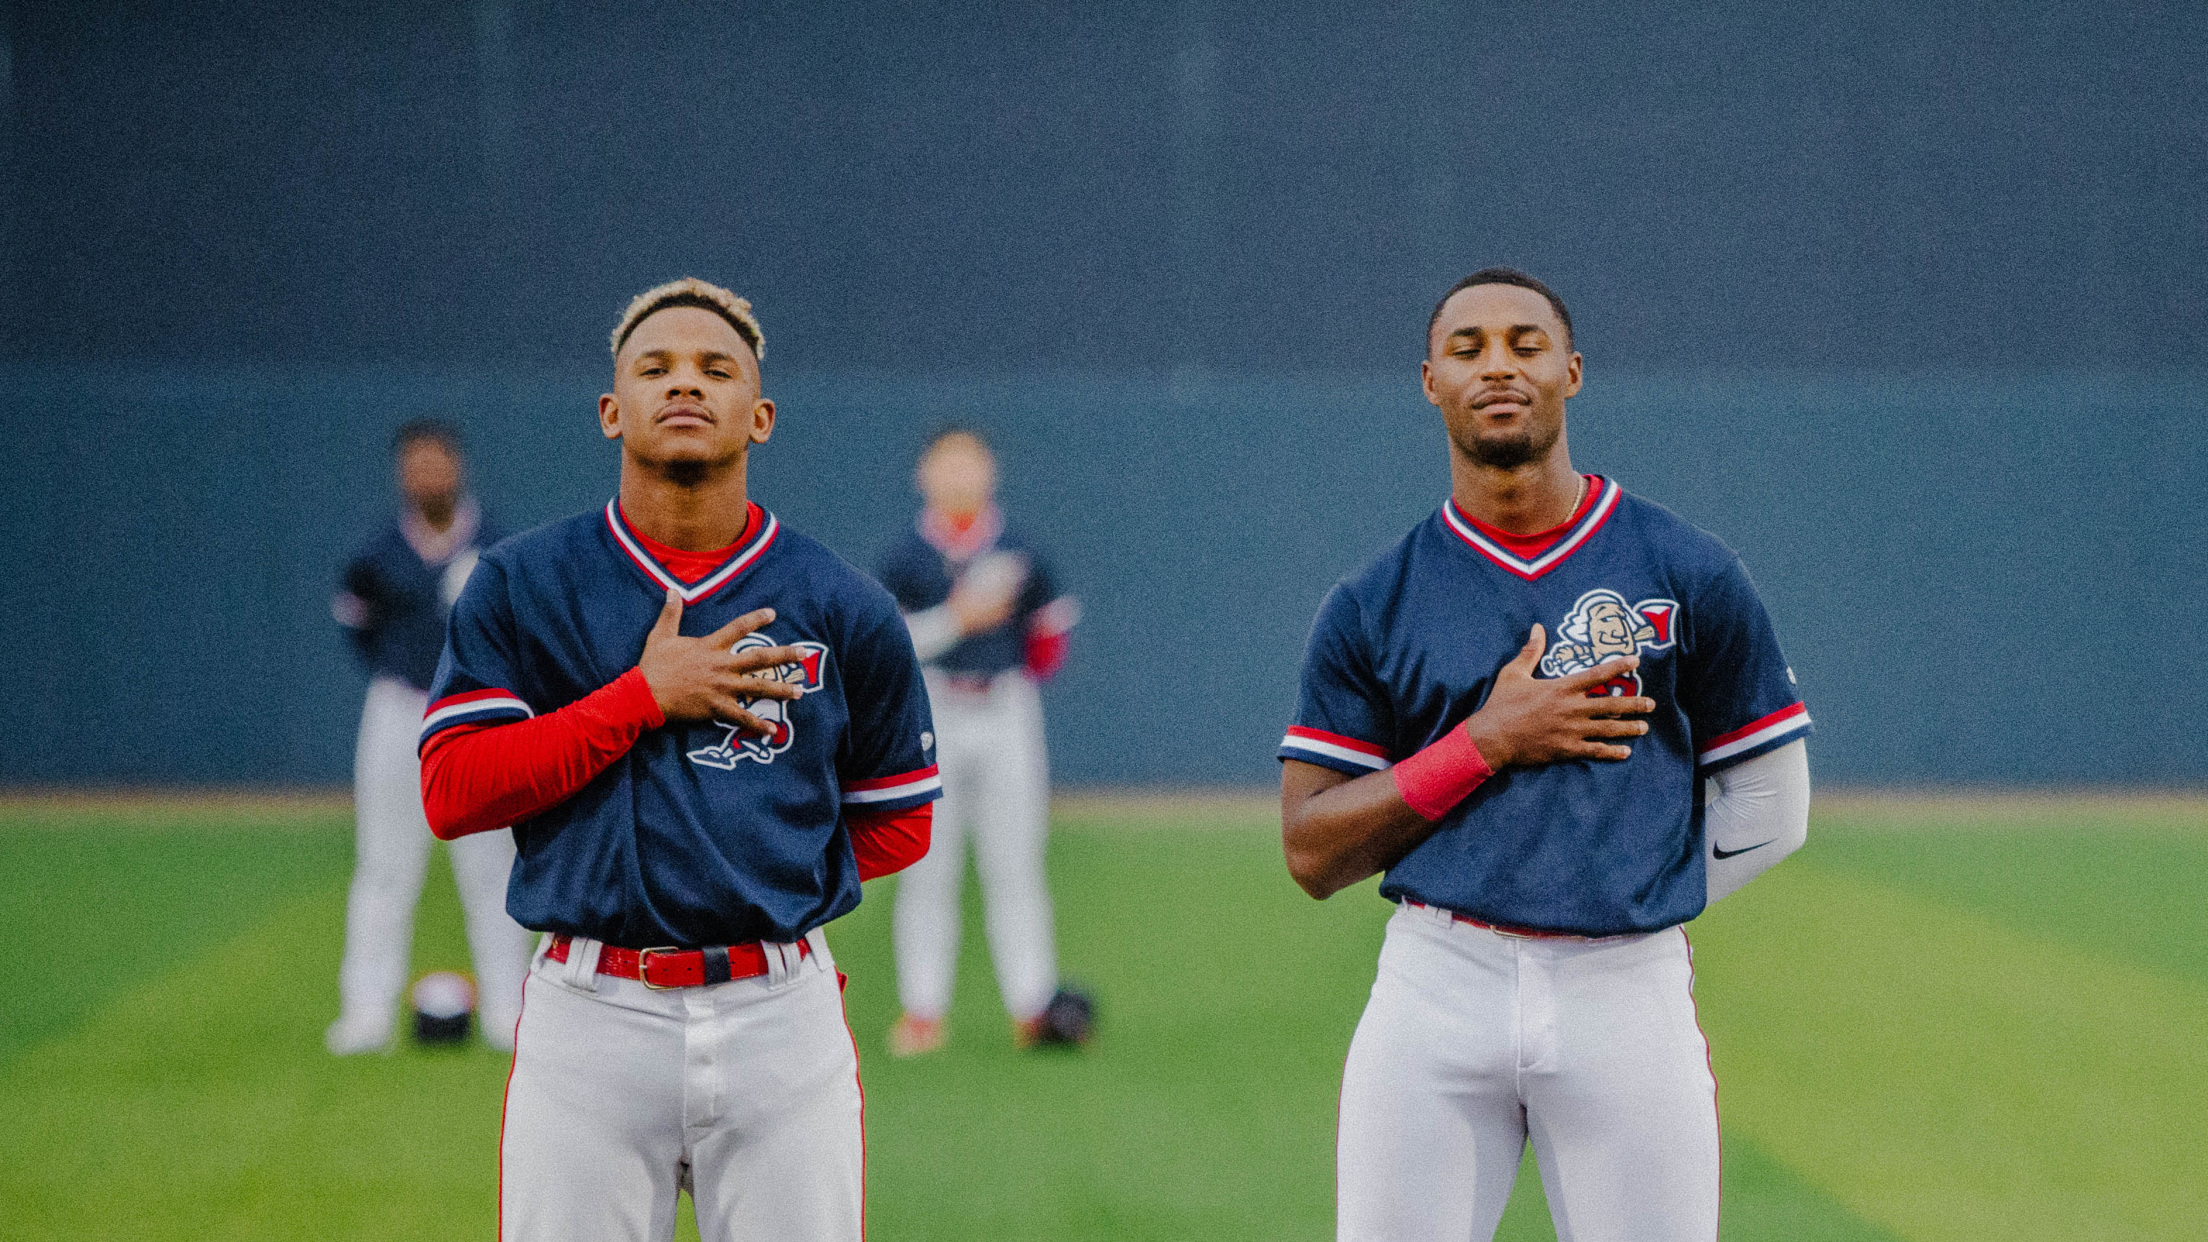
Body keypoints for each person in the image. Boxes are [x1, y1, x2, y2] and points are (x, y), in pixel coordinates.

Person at [1278, 268, 1814, 1241]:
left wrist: (1633, 899)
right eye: (1468, 348)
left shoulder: (1685, 569)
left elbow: (1774, 804)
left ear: (1571, 372)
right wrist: (1485, 742)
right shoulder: (1374, 601)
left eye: (1525, 345)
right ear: (1430, 381)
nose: (1498, 366)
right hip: (1436, 986)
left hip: (1626, 987)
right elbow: (1313, 850)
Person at [417, 278, 940, 1240]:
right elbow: (453, 791)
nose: (685, 384)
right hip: (590, 1013)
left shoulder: (843, 602)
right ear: (613, 410)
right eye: (654, 369)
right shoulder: (525, 584)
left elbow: (901, 815)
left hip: (781, 1019)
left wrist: (763, 879)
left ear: (762, 415)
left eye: (716, 368)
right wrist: (641, 697)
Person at [872, 429, 1086, 1056]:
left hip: (1004, 705)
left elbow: (1050, 637)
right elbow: (885, 645)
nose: (960, 474)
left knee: (1015, 862)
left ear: (991, 471)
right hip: (933, 706)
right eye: (947, 462)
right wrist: (954, 622)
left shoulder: (1019, 548)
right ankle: (922, 1011)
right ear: (924, 473)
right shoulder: (906, 556)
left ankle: (1033, 1008)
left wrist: (1011, 668)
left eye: (971, 462)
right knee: (925, 866)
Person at [327, 420, 533, 1055]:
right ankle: (366, 1012)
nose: (427, 475)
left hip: (477, 714)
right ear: (401, 475)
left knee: (492, 866)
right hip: (399, 707)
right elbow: (358, 625)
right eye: (414, 465)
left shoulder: (498, 546)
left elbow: (522, 627)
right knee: (386, 866)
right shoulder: (378, 554)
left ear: (458, 467)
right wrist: (399, 672)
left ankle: (509, 1011)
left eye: (436, 462)